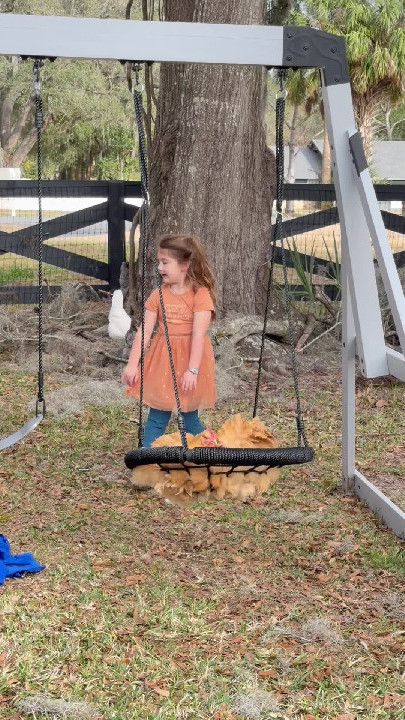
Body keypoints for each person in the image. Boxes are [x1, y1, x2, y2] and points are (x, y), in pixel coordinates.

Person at [121, 234, 217, 447]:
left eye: (165, 262)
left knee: (189, 417)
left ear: (184, 265)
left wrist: (192, 370)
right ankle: (147, 459)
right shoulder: (159, 295)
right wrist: (132, 365)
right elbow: (144, 331)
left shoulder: (200, 295)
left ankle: (216, 452)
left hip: (191, 362)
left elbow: (198, 335)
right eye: (159, 262)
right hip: (163, 360)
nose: (160, 268)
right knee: (157, 415)